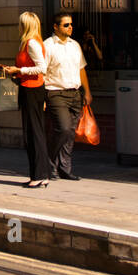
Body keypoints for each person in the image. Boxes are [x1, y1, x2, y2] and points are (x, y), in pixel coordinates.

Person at [0, 12, 50, 187]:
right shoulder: (32, 42)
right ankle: (41, 174)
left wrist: (20, 71)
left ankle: (38, 175)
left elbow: (42, 68)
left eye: (20, 23)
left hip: (32, 89)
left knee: (32, 132)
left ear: (25, 25)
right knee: (35, 131)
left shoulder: (32, 43)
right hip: (31, 88)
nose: (18, 26)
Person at [43, 11, 92, 180]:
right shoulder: (48, 46)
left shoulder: (75, 45)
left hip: (75, 93)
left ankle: (64, 168)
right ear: (56, 27)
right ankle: (48, 164)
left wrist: (87, 92)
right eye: (66, 25)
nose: (70, 27)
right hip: (55, 93)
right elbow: (41, 72)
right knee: (62, 129)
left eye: (71, 24)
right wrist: (42, 97)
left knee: (71, 133)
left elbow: (81, 69)